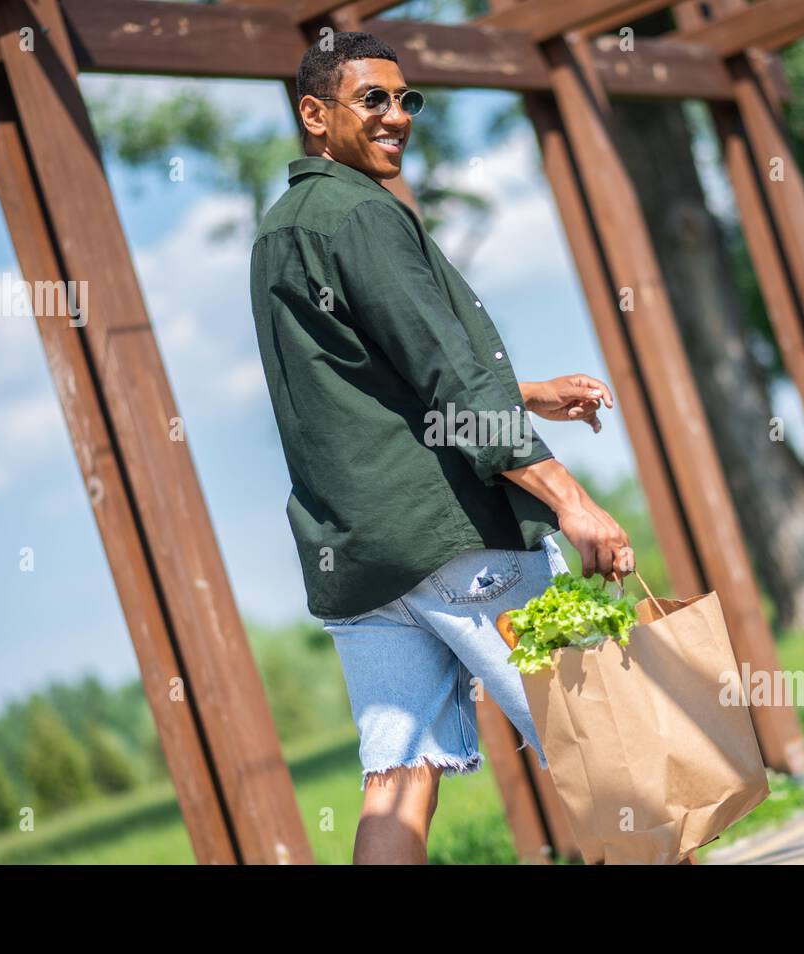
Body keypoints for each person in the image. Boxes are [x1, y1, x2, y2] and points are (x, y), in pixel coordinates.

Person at [250, 31, 633, 864]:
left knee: (399, 773)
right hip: (451, 540)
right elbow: (449, 383)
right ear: (313, 115)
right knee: (594, 741)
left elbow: (369, 380)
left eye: (406, 99)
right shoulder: (363, 216)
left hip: (358, 560)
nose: (397, 116)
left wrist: (527, 393)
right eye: (373, 100)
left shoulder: (280, 232)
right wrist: (574, 504)